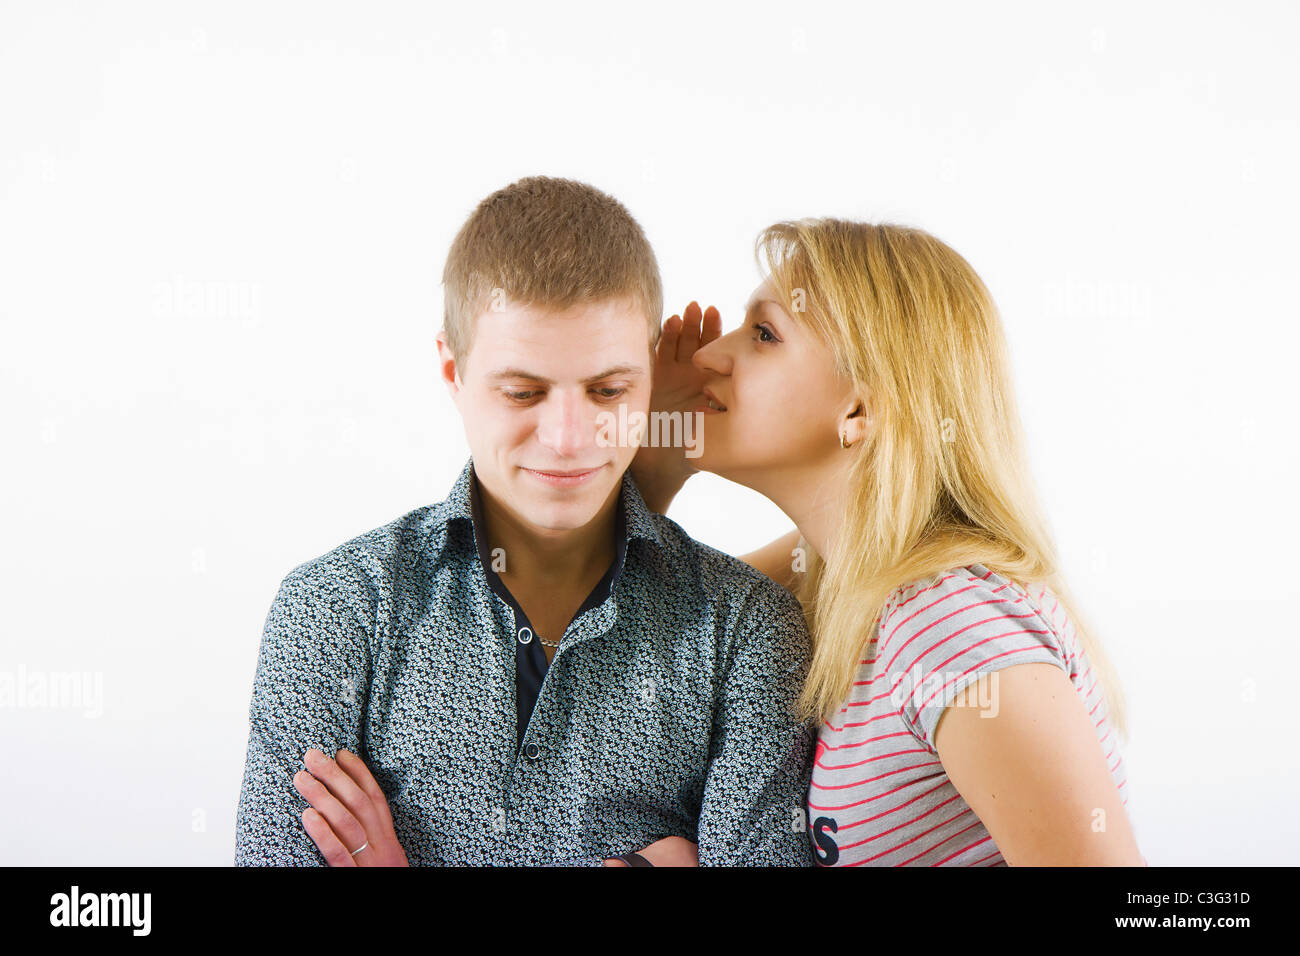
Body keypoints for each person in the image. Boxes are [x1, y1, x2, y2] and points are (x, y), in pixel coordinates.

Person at [233, 176, 816, 867]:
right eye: (522, 392)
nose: (569, 437)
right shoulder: (335, 609)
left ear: (651, 382)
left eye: (609, 389)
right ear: (453, 370)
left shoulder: (746, 630)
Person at [631, 219, 1144, 866]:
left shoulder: (951, 627)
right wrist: (654, 466)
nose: (709, 356)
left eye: (764, 334)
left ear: (858, 413)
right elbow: (626, 640)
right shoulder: (823, 574)